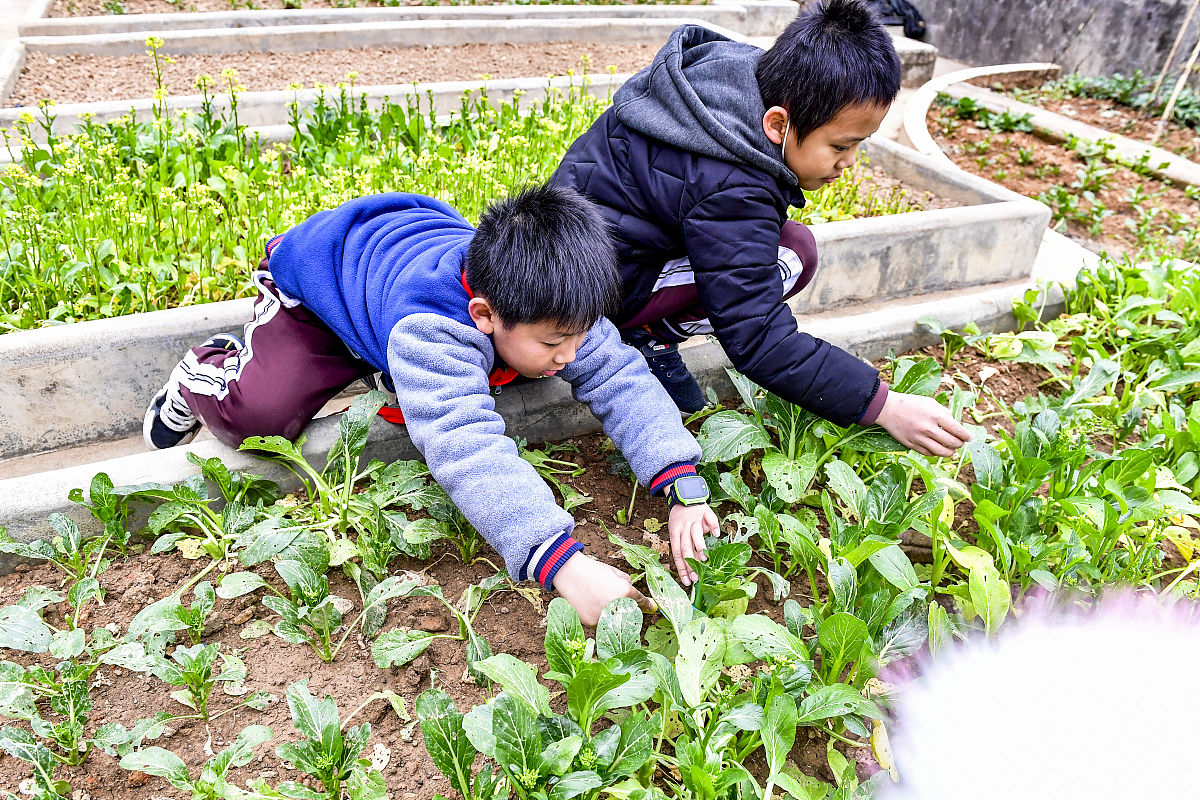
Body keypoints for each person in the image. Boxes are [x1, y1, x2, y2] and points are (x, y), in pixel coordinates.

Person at [143, 186, 720, 625]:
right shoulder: (431, 330)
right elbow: (466, 445)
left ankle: (406, 368)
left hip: (407, 259)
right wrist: (565, 566)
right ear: (485, 315)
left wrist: (681, 485)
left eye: (578, 337)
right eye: (552, 344)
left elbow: (620, 375)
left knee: (519, 368)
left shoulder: (553, 305)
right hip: (325, 283)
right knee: (261, 416)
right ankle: (207, 372)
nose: (571, 355)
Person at [549, 0, 972, 458]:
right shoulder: (731, 183)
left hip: (576, 250)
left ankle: (648, 330)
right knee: (794, 254)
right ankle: (646, 338)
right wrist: (884, 405)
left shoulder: (734, 83)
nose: (848, 163)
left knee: (774, 249)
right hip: (589, 291)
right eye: (840, 145)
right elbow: (756, 335)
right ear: (777, 123)